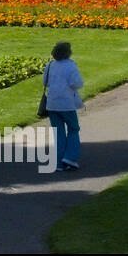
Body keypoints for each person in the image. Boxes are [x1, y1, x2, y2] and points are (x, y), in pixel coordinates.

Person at [43, 41, 84, 172]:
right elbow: (76, 83)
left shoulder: (50, 65)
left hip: (52, 103)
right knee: (73, 129)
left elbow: (45, 82)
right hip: (66, 103)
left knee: (58, 132)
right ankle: (70, 157)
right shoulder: (71, 65)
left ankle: (59, 162)